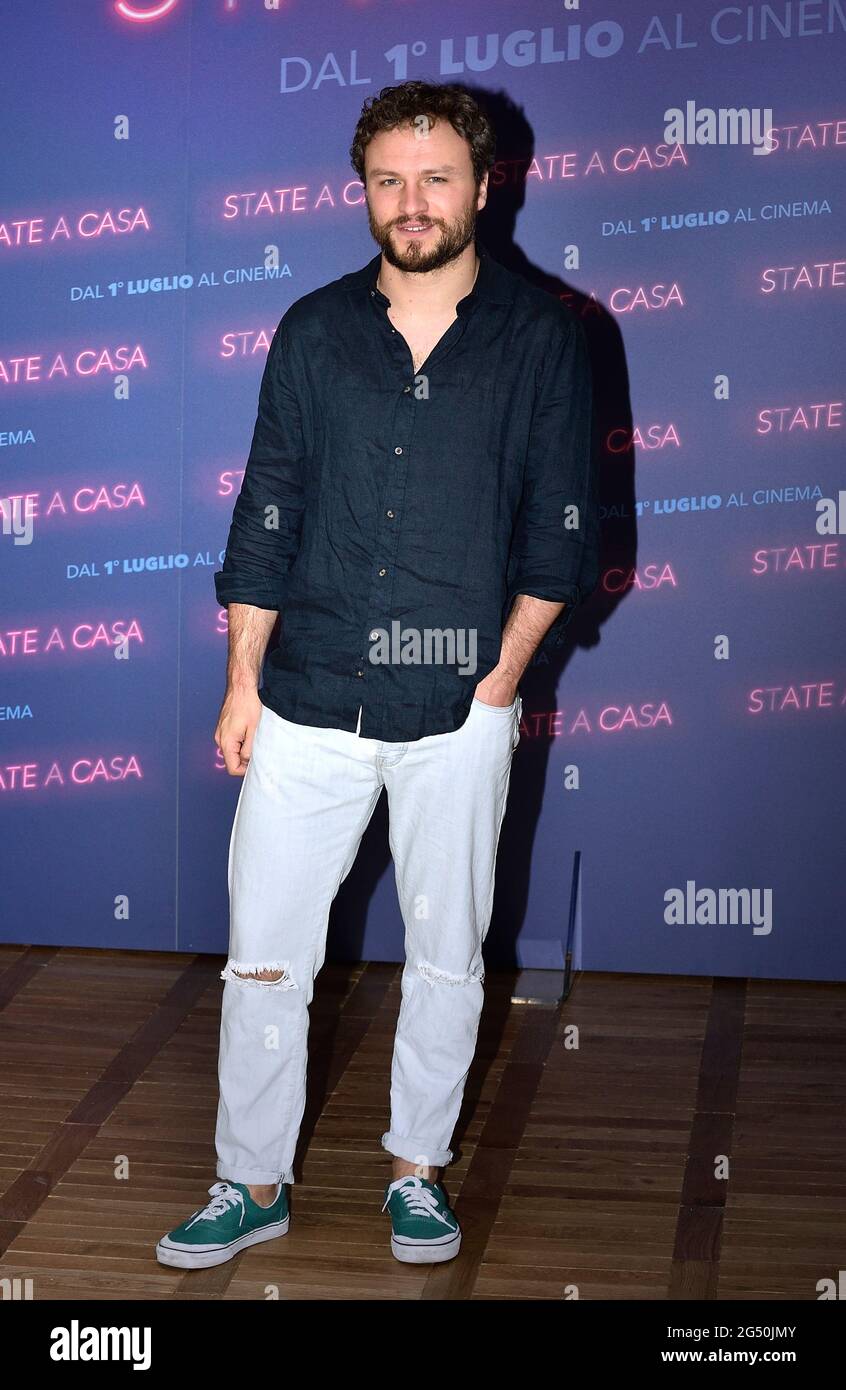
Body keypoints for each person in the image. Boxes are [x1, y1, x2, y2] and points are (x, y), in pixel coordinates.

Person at [155, 79, 598, 1270]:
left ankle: (417, 1172)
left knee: (450, 955)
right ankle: (249, 1182)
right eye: (389, 180)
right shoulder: (312, 330)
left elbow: (563, 539)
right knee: (263, 956)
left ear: (483, 185)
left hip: (461, 704)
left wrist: (499, 679)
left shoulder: (545, 337)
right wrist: (243, 680)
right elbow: (267, 516)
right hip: (304, 695)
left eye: (436, 176)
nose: (412, 201)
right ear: (364, 191)